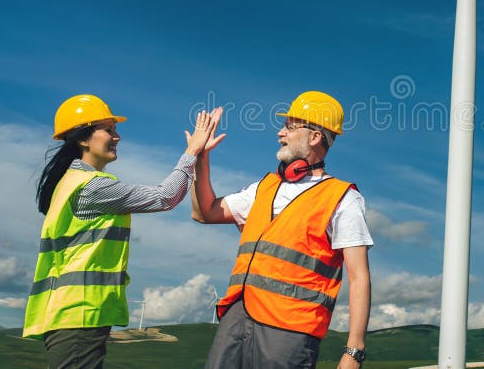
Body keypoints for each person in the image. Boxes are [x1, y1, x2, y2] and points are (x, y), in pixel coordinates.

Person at [22, 94, 224, 369]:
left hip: (71, 313)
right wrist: (192, 153)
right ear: (83, 138)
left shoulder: (68, 183)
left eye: (116, 130)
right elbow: (165, 197)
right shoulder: (92, 187)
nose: (117, 137)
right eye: (109, 129)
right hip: (79, 312)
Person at [192, 91, 373, 369]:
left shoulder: (342, 198)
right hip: (237, 317)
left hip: (289, 332)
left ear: (314, 137)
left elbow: (359, 278)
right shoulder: (264, 187)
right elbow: (204, 213)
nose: (280, 133)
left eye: (289, 126)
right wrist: (200, 157)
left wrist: (354, 351)